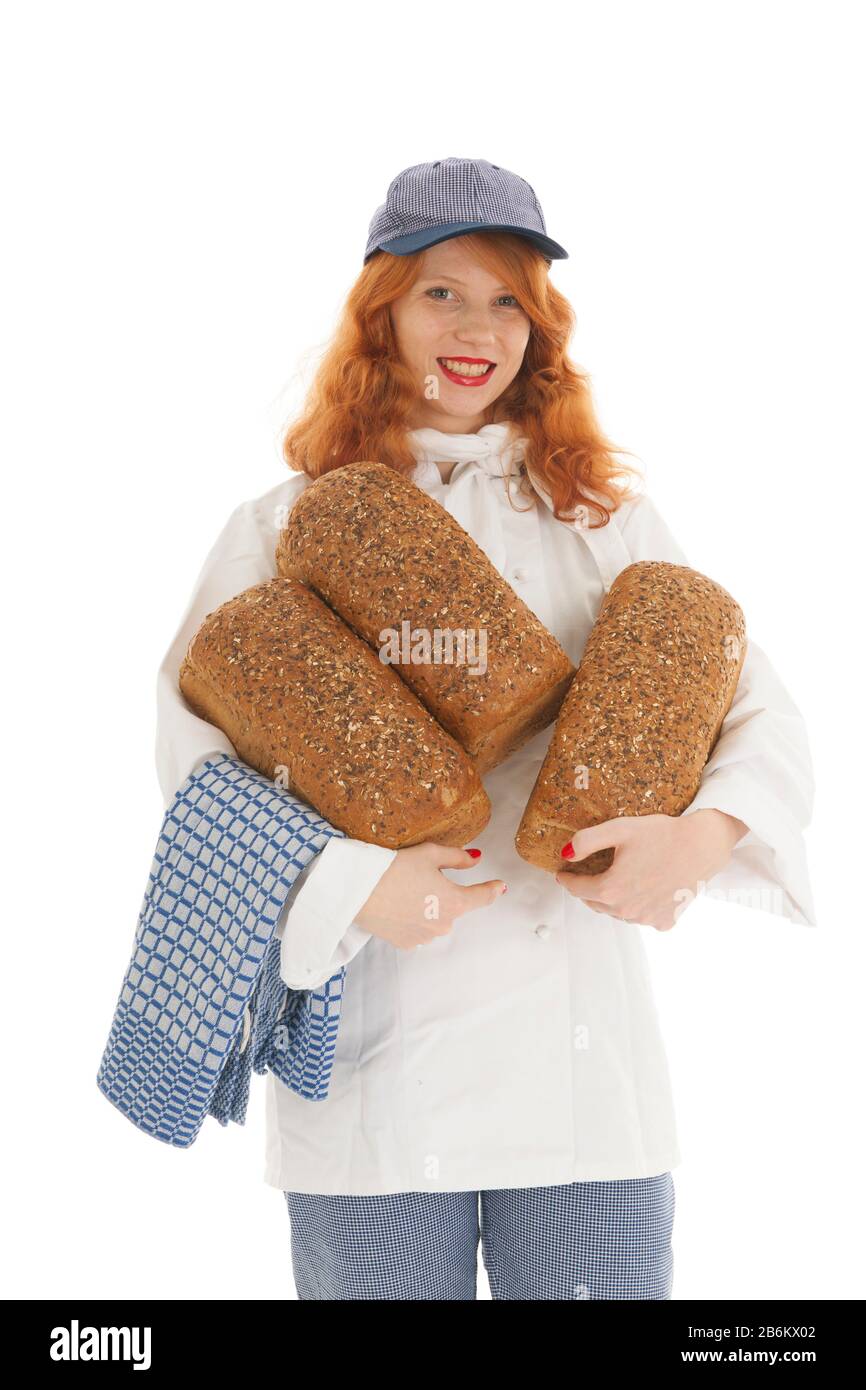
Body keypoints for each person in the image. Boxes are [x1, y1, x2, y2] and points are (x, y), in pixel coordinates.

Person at [155, 158, 816, 1300]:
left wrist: (698, 840)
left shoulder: (597, 515)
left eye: (509, 299)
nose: (477, 329)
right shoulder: (284, 525)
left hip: (580, 1081)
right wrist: (350, 885)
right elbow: (194, 760)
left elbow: (747, 700)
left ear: (540, 326)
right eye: (440, 294)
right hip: (372, 1070)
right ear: (382, 314)